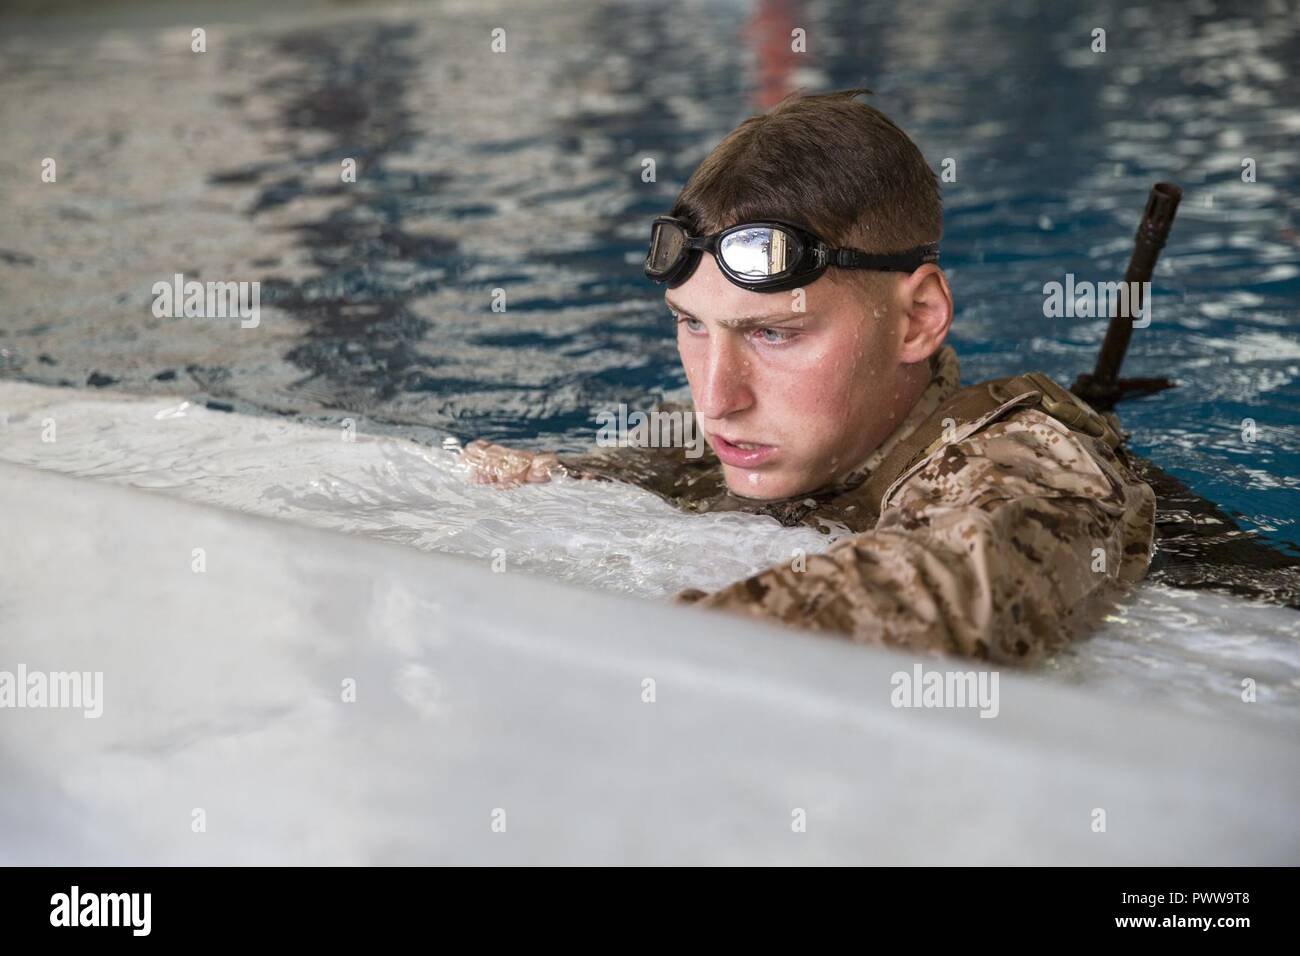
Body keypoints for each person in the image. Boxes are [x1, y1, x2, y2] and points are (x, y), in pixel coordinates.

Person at [462, 89, 1155, 665]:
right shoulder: (700, 435)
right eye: (693, 325)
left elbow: (958, 594)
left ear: (917, 319)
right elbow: (597, 479)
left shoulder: (1024, 459)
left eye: (773, 333)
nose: (715, 399)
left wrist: (657, 649)